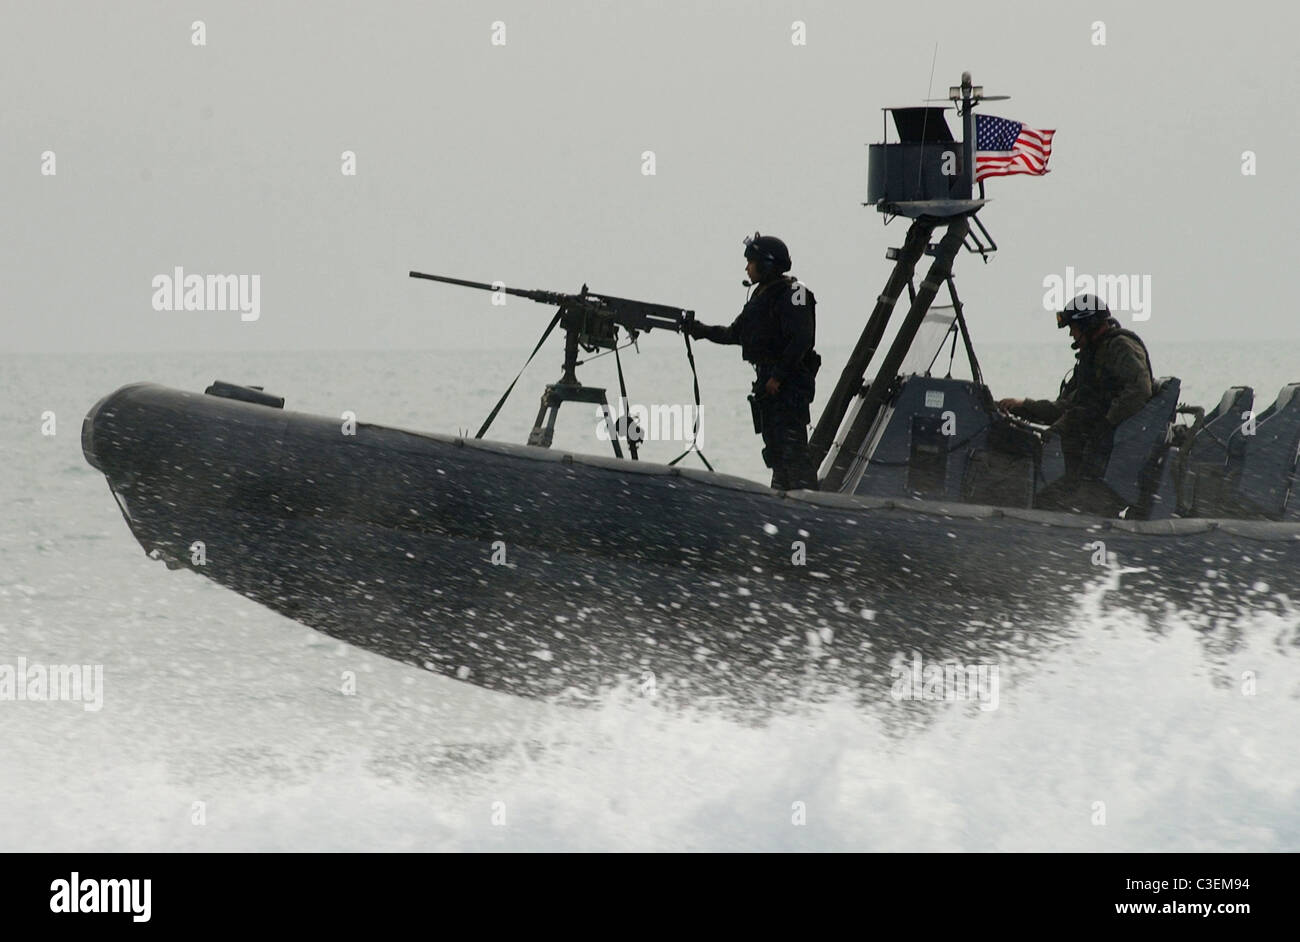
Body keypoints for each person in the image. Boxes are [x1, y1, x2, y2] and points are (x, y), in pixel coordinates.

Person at [998, 293, 1154, 514]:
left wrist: (1107, 425)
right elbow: (1068, 405)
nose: (1071, 334)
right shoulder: (1092, 356)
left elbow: (1139, 390)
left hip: (1104, 450)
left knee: (1056, 457)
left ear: (1087, 325)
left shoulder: (1120, 346)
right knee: (1047, 450)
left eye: (1073, 327)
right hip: (1086, 447)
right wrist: (1023, 406)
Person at [688, 232, 821, 490]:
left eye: (751, 262)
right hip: (769, 384)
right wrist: (701, 330)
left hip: (789, 385)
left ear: (767, 264)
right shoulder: (761, 295)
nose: (747, 268)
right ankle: (782, 499)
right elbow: (734, 334)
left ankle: (807, 503)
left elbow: (801, 339)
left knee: (793, 451)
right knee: (776, 451)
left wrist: (778, 377)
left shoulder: (796, 292)